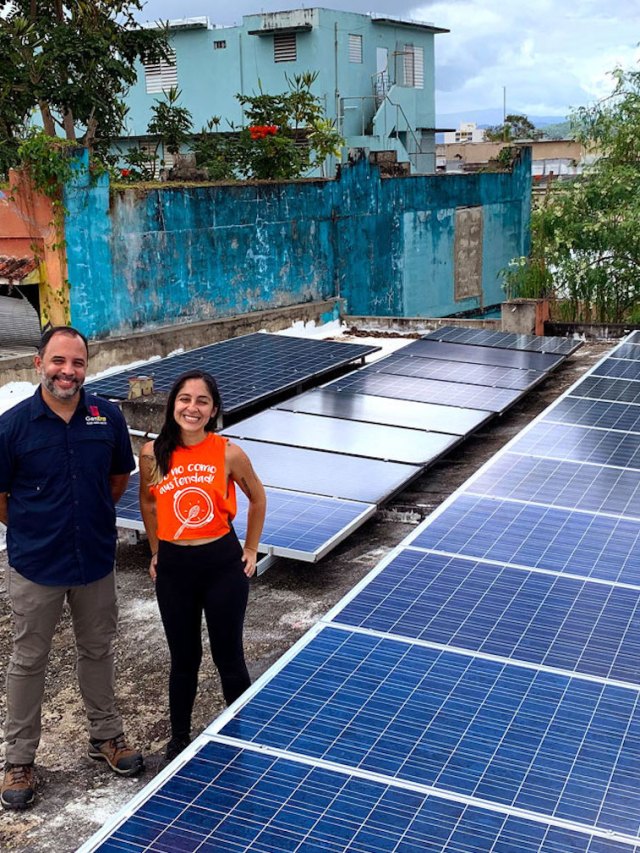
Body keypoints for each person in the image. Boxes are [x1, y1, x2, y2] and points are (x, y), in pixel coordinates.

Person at [0, 326, 143, 811]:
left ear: (87, 366)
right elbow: (1, 497)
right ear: (39, 363)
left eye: (77, 362)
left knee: (98, 649)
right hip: (36, 565)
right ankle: (19, 759)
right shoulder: (12, 427)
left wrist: (89, 520)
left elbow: (117, 479)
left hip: (94, 560)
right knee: (28, 660)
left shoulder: (107, 417)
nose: (68, 371)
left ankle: (106, 736)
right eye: (58, 361)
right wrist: (37, 526)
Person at [139, 369, 266, 763]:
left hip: (222, 565)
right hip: (175, 569)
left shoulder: (228, 452)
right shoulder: (152, 453)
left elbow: (258, 498)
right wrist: (156, 550)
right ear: (172, 404)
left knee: (229, 656)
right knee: (184, 659)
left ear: (213, 411)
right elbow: (148, 502)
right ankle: (179, 738)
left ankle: (241, 735)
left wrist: (251, 548)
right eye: (185, 399)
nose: (192, 408)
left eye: (202, 401)